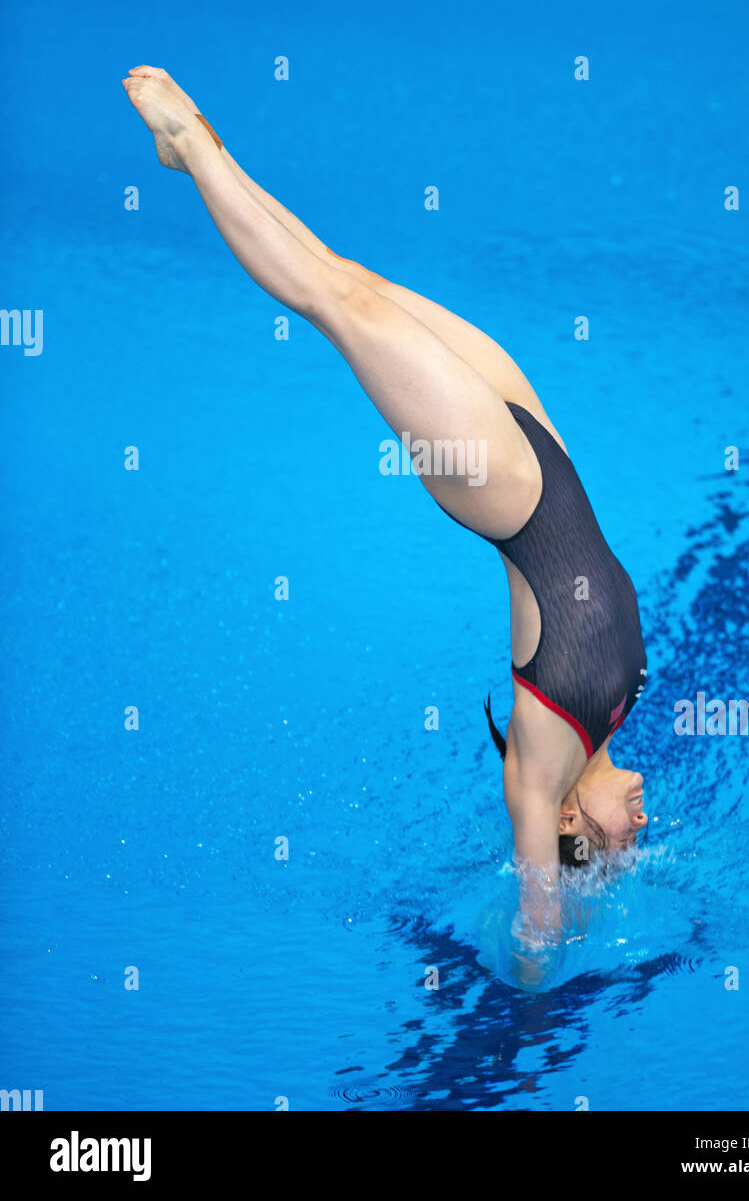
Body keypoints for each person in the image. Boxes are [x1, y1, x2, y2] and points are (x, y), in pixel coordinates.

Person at [122, 65, 649, 955]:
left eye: (623, 836)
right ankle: (192, 158)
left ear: (569, 824)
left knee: (335, 304)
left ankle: (196, 152)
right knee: (354, 279)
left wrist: (545, 950)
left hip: (503, 488)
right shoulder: (610, 720)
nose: (644, 819)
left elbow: (537, 937)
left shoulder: (538, 774)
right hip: (546, 447)